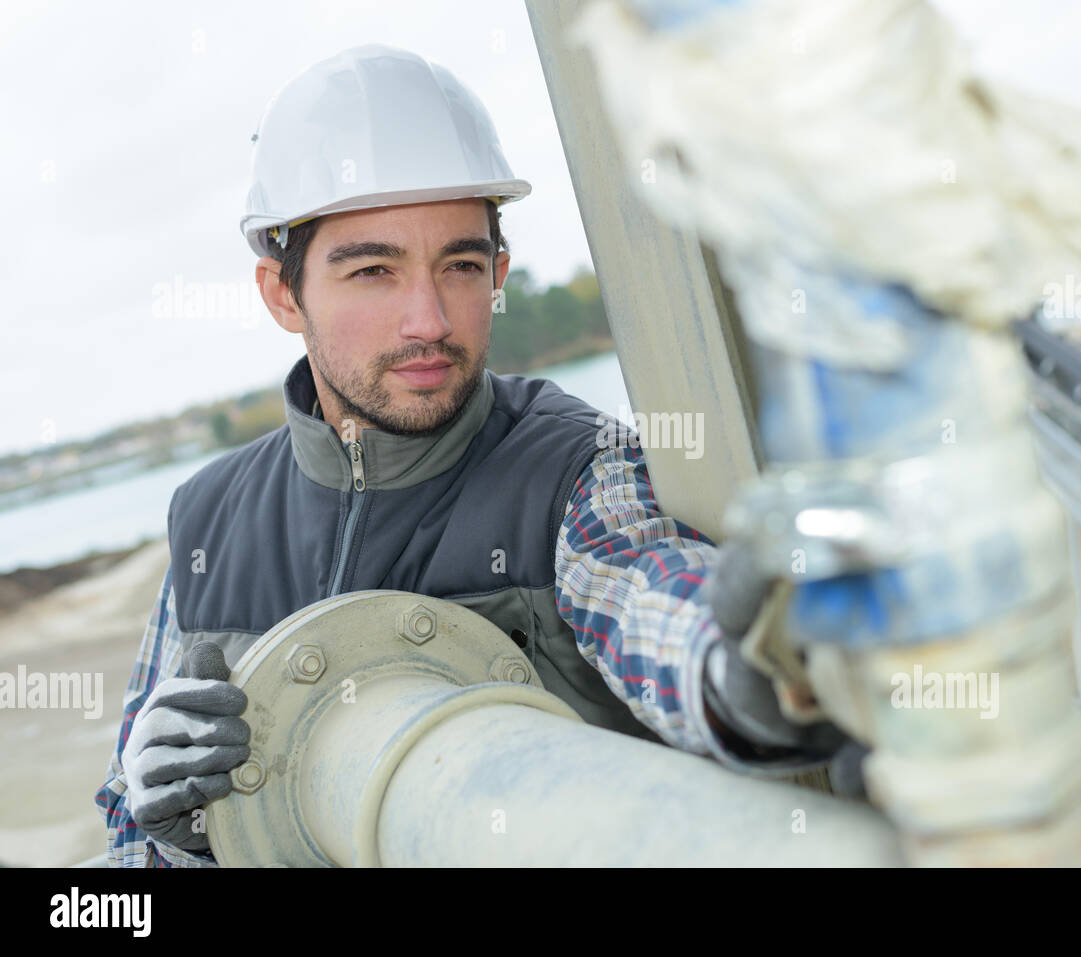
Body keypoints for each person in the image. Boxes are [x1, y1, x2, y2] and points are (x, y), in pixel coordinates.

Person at [94, 44, 846, 867]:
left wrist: (753, 673)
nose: (429, 318)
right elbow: (126, 835)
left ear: (500, 274)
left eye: (460, 265)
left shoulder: (571, 470)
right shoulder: (209, 519)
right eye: (374, 271)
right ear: (283, 293)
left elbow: (656, 602)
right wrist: (170, 824)